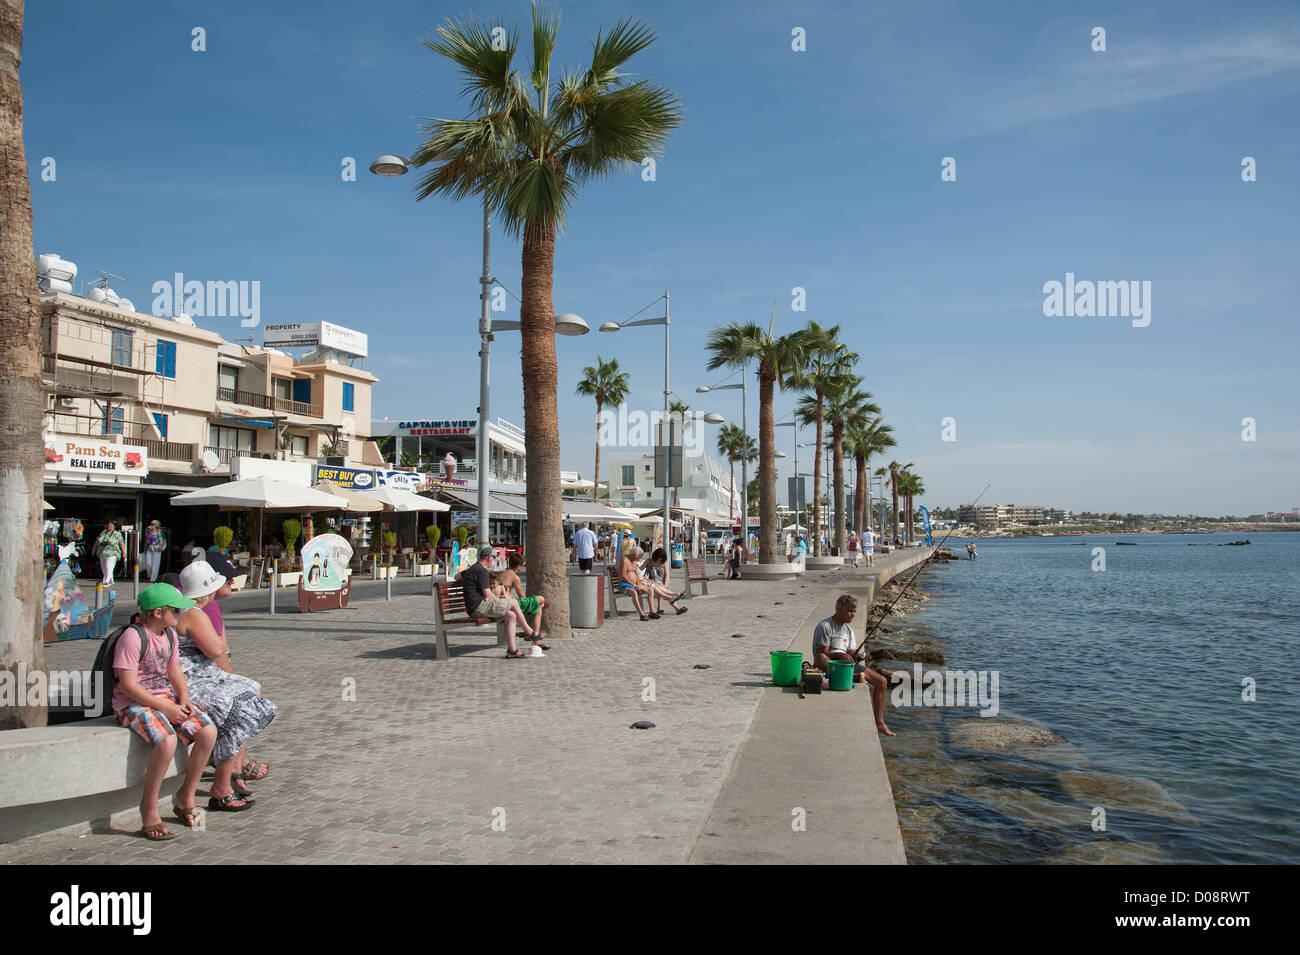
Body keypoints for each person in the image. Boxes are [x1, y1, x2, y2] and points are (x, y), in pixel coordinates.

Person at [112, 583, 219, 840]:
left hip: (164, 698)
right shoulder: (132, 637)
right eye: (176, 611)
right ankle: (148, 808)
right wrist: (167, 708)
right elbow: (127, 685)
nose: (180, 616)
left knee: (208, 731)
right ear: (158, 613)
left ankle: (186, 794)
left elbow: (174, 671)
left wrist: (183, 697)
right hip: (132, 702)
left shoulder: (169, 635)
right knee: (167, 740)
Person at [175, 560, 276, 809]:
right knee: (235, 706)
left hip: (197, 677)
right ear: (207, 591)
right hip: (194, 681)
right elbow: (217, 650)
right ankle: (223, 783)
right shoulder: (194, 613)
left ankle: (228, 772)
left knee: (250, 689)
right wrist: (220, 639)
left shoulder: (190, 610)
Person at [812, 594, 894, 737]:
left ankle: (879, 722)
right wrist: (838, 655)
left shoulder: (849, 630)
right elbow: (822, 651)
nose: (853, 614)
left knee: (882, 681)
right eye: (850, 611)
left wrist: (856, 656)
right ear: (839, 609)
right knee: (820, 657)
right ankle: (852, 677)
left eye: (855, 611)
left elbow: (850, 652)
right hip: (828, 663)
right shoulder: (825, 626)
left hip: (845, 664)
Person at [459, 545, 546, 657]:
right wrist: (500, 602)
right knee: (513, 602)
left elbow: (457, 577)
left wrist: (468, 580)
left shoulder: (473, 569)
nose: (494, 561)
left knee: (511, 616)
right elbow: (487, 594)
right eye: (494, 559)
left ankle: (512, 650)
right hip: (479, 606)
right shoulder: (482, 571)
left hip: (474, 606)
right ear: (489, 558)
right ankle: (528, 631)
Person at [497, 553, 549, 648]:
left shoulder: (502, 574)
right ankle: (535, 637)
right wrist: (531, 603)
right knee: (541, 599)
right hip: (510, 604)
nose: (523, 568)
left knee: (538, 608)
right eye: (523, 565)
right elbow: (522, 597)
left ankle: (535, 639)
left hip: (502, 603)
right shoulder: (514, 577)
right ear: (518, 566)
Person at [645, 548, 688, 615]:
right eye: (659, 558)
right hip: (652, 581)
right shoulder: (649, 561)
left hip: (661, 582)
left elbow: (666, 574)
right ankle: (675, 601)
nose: (660, 559)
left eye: (661, 558)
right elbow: (640, 570)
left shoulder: (663, 562)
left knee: (662, 586)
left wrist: (665, 584)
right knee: (661, 587)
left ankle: (672, 606)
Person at [93, 521, 125, 585]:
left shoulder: (117, 534)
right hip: (102, 552)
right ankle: (111, 580)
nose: (109, 526)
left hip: (113, 552)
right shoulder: (103, 532)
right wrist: (93, 550)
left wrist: (123, 552)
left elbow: (121, 543)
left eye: (111, 525)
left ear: (114, 526)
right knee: (104, 567)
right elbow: (97, 541)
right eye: (108, 525)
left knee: (108, 566)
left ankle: (106, 581)